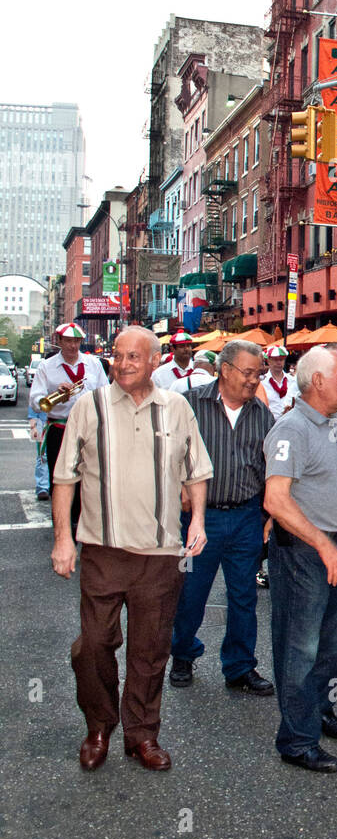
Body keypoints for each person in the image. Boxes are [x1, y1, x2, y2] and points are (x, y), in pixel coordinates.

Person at [50, 327, 212, 771]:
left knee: (150, 650)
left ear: (155, 361)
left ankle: (142, 734)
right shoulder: (90, 405)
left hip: (161, 554)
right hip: (103, 550)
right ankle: (99, 725)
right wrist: (64, 539)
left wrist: (197, 519)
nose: (122, 364)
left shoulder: (177, 408)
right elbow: (65, 477)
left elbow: (196, 469)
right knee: (95, 645)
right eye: (117, 356)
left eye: (133, 357)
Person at [263, 345, 337, 771]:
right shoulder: (291, 430)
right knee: (299, 648)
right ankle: (296, 739)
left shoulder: (335, 424)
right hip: (304, 551)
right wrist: (324, 546)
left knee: (334, 644)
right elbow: (276, 500)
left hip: (335, 544)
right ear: (318, 382)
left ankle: (318, 710)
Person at [168, 339, 276, 696]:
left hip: (246, 515)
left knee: (244, 595)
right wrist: (178, 489)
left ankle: (240, 667)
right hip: (201, 518)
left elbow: (270, 467)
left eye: (257, 374)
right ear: (225, 370)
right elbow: (167, 453)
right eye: (247, 373)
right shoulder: (189, 404)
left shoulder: (262, 413)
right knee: (191, 592)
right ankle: (182, 654)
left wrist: (268, 514)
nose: (253, 380)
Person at [30, 323, 109, 530]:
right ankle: (62, 523)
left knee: (88, 475)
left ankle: (81, 520)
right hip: (60, 429)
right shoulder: (46, 367)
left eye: (76, 341)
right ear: (59, 341)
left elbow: (105, 393)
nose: (73, 346)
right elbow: (35, 400)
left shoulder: (93, 363)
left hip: (88, 429)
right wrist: (54, 396)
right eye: (68, 341)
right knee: (60, 477)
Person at [264, 344, 298, 420]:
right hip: (268, 425)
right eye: (275, 359)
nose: (279, 362)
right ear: (268, 361)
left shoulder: (293, 381)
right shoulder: (262, 382)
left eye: (281, 359)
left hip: (289, 423)